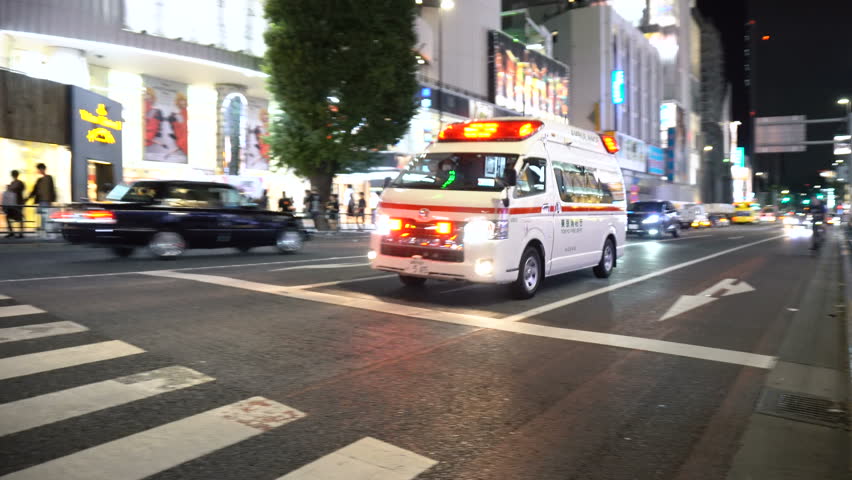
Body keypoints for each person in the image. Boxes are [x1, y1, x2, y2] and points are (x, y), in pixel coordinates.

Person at [27, 163, 57, 236]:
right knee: (44, 216)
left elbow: (52, 189)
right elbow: (35, 190)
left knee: (45, 216)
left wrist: (52, 200)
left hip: (45, 201)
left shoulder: (48, 178)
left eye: (40, 169)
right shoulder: (40, 180)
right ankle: (44, 230)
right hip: (42, 200)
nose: (39, 171)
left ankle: (45, 230)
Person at [2, 170, 25, 238]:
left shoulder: (18, 183)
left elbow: (13, 189)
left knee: (19, 218)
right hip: (13, 203)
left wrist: (9, 187)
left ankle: (19, 233)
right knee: (9, 217)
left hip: (17, 203)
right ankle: (12, 232)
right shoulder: (14, 183)